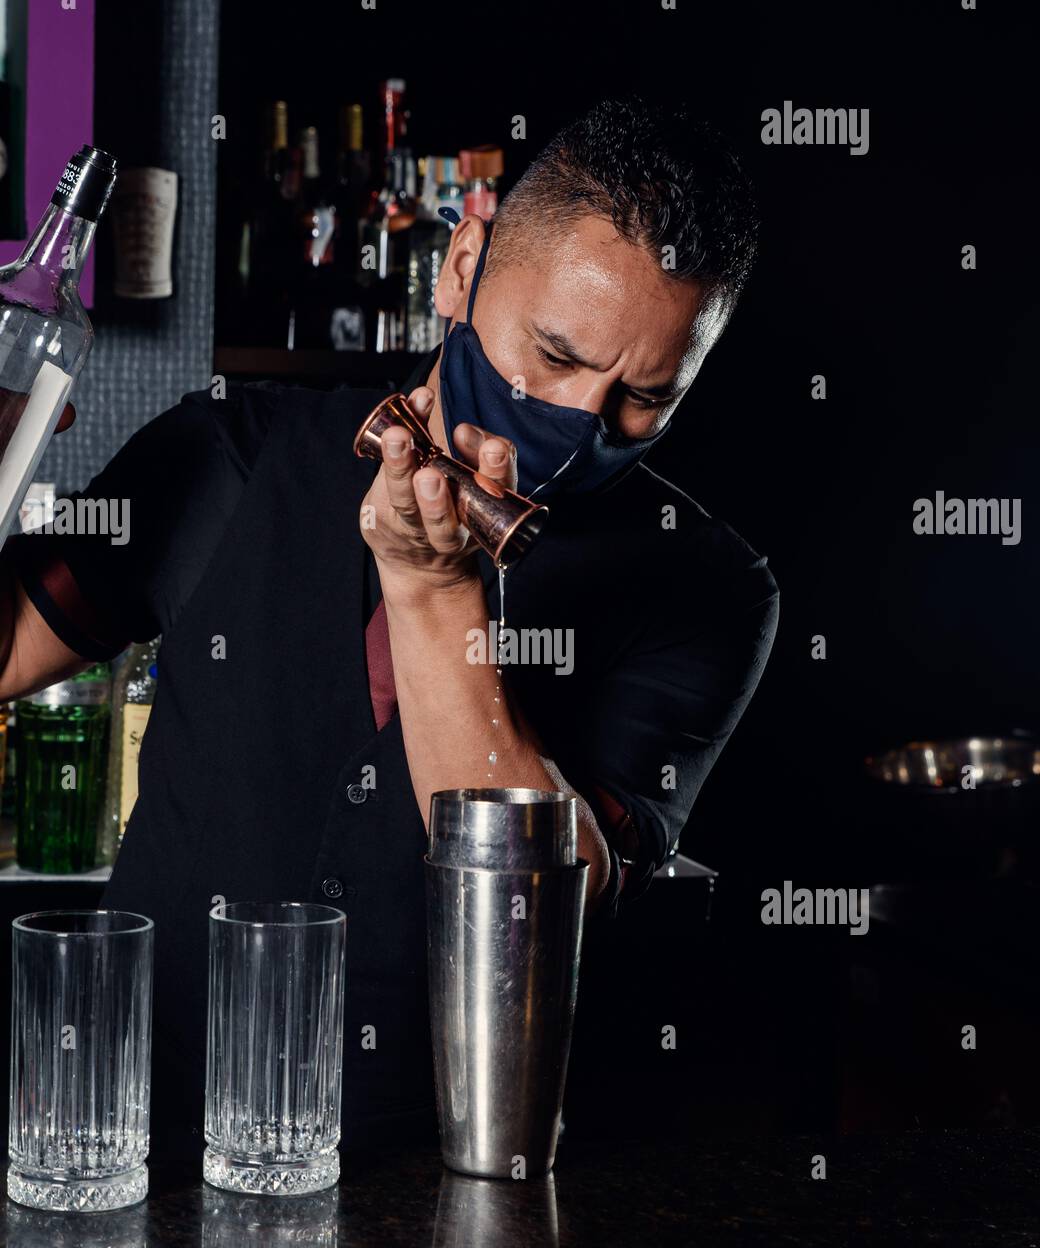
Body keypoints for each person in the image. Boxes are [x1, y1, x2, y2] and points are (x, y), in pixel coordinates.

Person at [0, 95, 778, 1155]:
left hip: (458, 1194)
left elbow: (540, 915)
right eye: (551, 354)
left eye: (643, 397)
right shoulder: (235, 455)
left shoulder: (702, 588)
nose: (580, 421)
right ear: (462, 265)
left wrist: (435, 597)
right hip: (145, 1150)